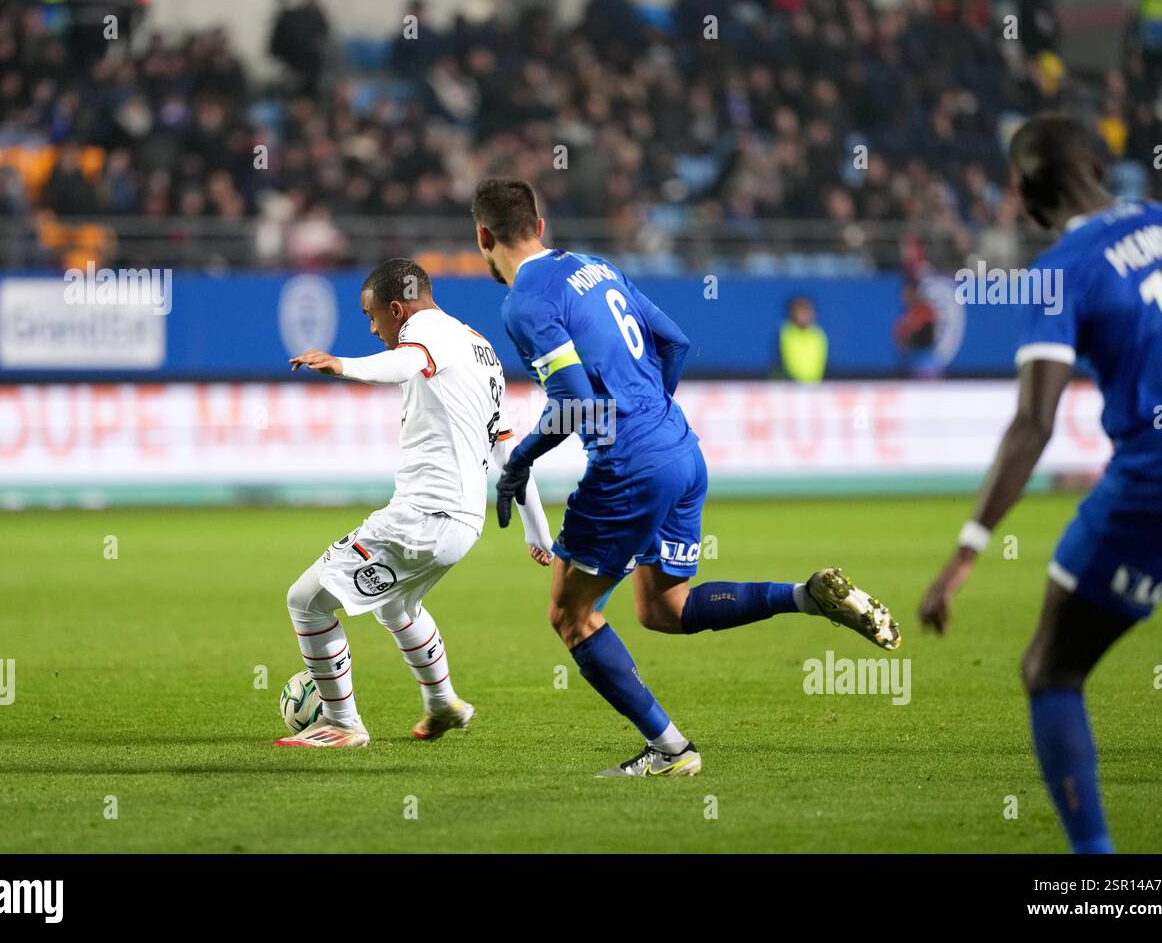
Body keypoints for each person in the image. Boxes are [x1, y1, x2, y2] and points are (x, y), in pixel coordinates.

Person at [472, 177, 901, 778]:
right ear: (539, 226)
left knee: (571, 616)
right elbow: (675, 341)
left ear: (483, 235)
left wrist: (519, 463)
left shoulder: (525, 302)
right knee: (663, 608)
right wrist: (652, 413)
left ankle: (672, 751)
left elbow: (570, 395)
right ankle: (808, 597)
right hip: (681, 448)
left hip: (631, 466)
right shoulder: (595, 267)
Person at [919, 114, 1162, 852]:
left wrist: (967, 548)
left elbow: (1034, 423)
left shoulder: (1064, 269)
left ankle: (1097, 874)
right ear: (1099, 164)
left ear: (1020, 192)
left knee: (1052, 666)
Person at [278, 258, 552, 747]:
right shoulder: (479, 348)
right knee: (396, 604)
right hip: (463, 525)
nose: (372, 328)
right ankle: (442, 702)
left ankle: (342, 723)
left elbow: (405, 362)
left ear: (397, 309)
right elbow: (509, 448)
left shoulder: (423, 338)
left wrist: (343, 365)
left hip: (423, 518)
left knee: (305, 602)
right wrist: (538, 531)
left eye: (372, 316)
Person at [777, 294, 828, 382]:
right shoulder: (786, 333)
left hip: (815, 387)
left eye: (806, 311)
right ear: (792, 313)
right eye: (800, 311)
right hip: (789, 386)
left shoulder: (819, 335)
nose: (804, 315)